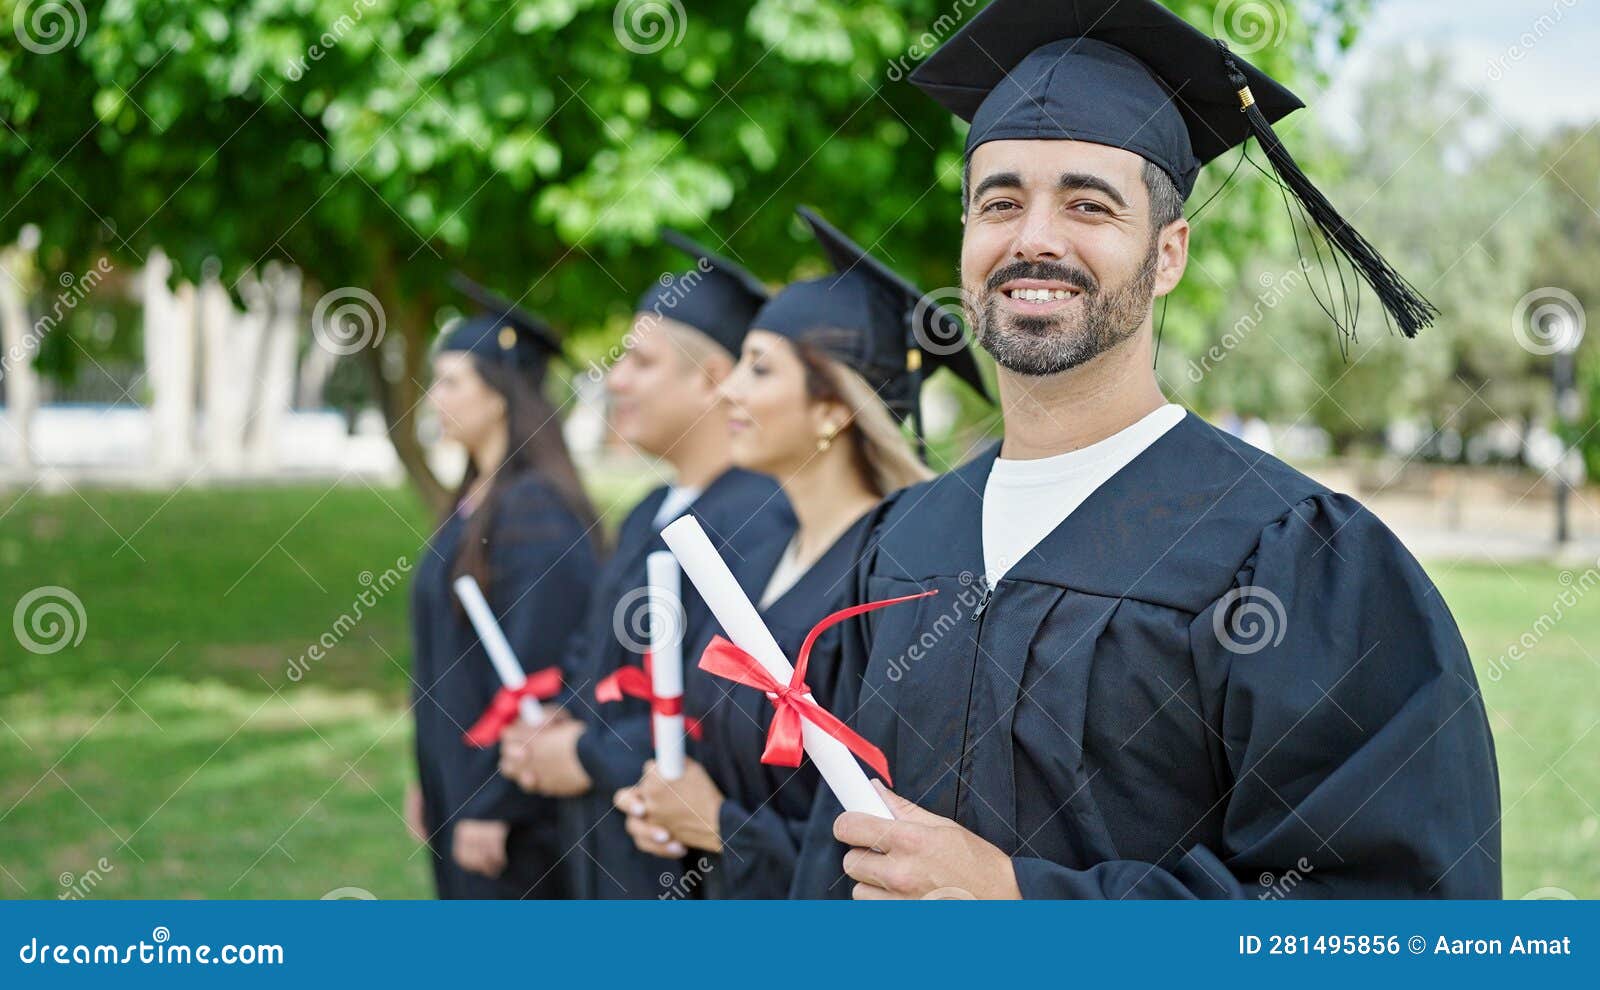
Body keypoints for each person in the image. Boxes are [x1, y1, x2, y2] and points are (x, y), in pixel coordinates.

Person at [790, 0, 1501, 899]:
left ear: (1168, 256)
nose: (1034, 237)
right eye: (999, 202)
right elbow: (830, 856)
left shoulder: (1292, 559)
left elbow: (1390, 920)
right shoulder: (901, 543)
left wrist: (1028, 907)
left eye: (1089, 204)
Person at [611, 207, 990, 898]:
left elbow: (884, 848)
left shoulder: (896, 588)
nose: (727, 388)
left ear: (832, 408)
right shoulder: (756, 552)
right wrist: (671, 803)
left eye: (759, 369)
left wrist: (721, 825)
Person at [497, 232, 796, 899]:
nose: (616, 378)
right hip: (603, 848)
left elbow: (721, 718)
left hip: (681, 870)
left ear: (712, 379)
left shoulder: (760, 521)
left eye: (641, 362)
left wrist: (582, 753)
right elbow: (594, 658)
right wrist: (557, 723)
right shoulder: (649, 509)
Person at [407, 276, 600, 899]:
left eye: (451, 381)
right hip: (458, 785)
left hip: (512, 812)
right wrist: (429, 781)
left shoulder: (533, 510)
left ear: (498, 395)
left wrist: (494, 805)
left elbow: (538, 672)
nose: (433, 397)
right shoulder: (476, 501)